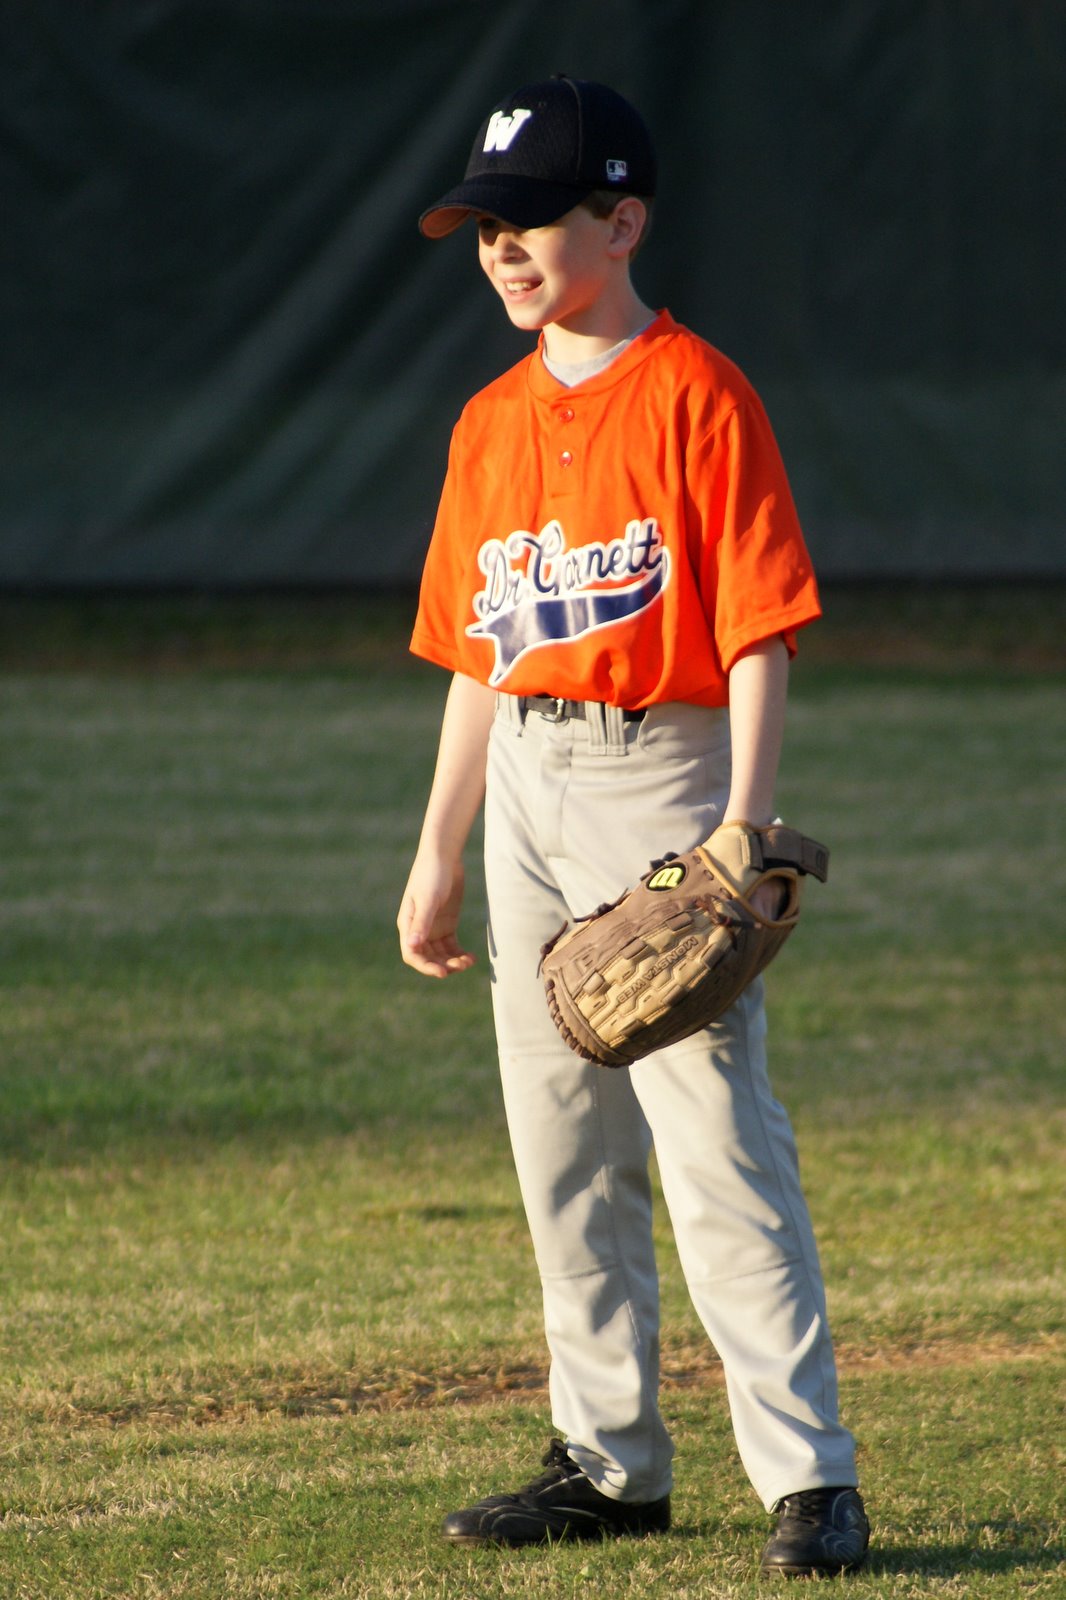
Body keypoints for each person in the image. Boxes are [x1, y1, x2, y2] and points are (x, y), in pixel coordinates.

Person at [397, 75, 869, 1580]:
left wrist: (738, 826)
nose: (504, 249)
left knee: (714, 1133)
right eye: (485, 226)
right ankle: (607, 1461)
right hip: (528, 784)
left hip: (657, 777)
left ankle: (809, 1480)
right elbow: (482, 655)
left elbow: (756, 633)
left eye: (533, 219)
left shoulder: (697, 393)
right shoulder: (486, 421)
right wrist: (436, 851)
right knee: (562, 1144)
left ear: (622, 218)